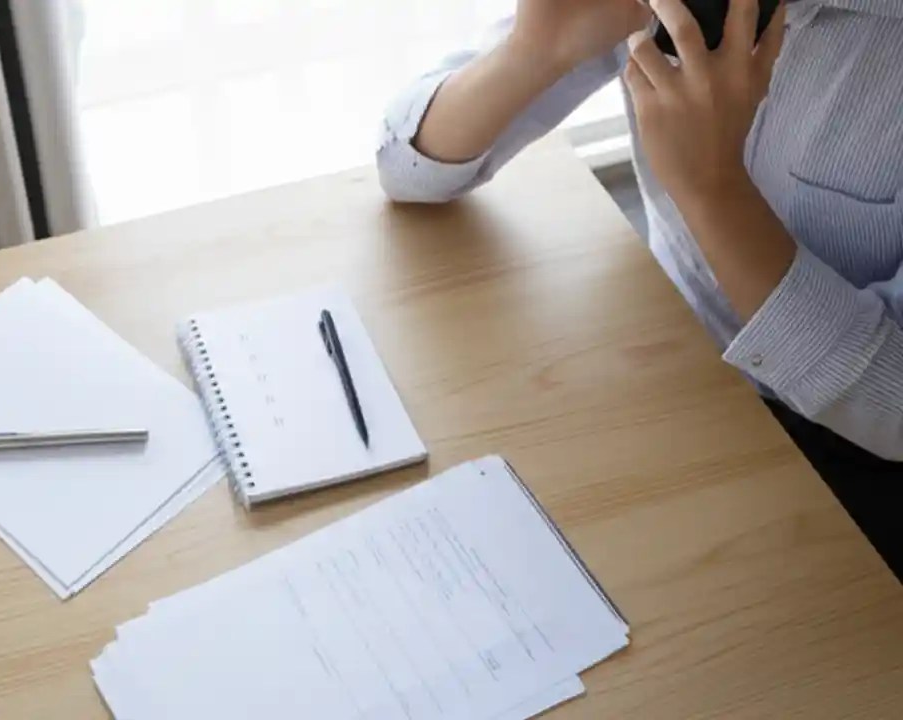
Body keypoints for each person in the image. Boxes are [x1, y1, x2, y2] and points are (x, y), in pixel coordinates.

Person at [377, 0, 902, 574]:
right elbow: (409, 168)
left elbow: (892, 408)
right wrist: (531, 54)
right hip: (675, 371)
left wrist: (713, 189)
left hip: (856, 460)